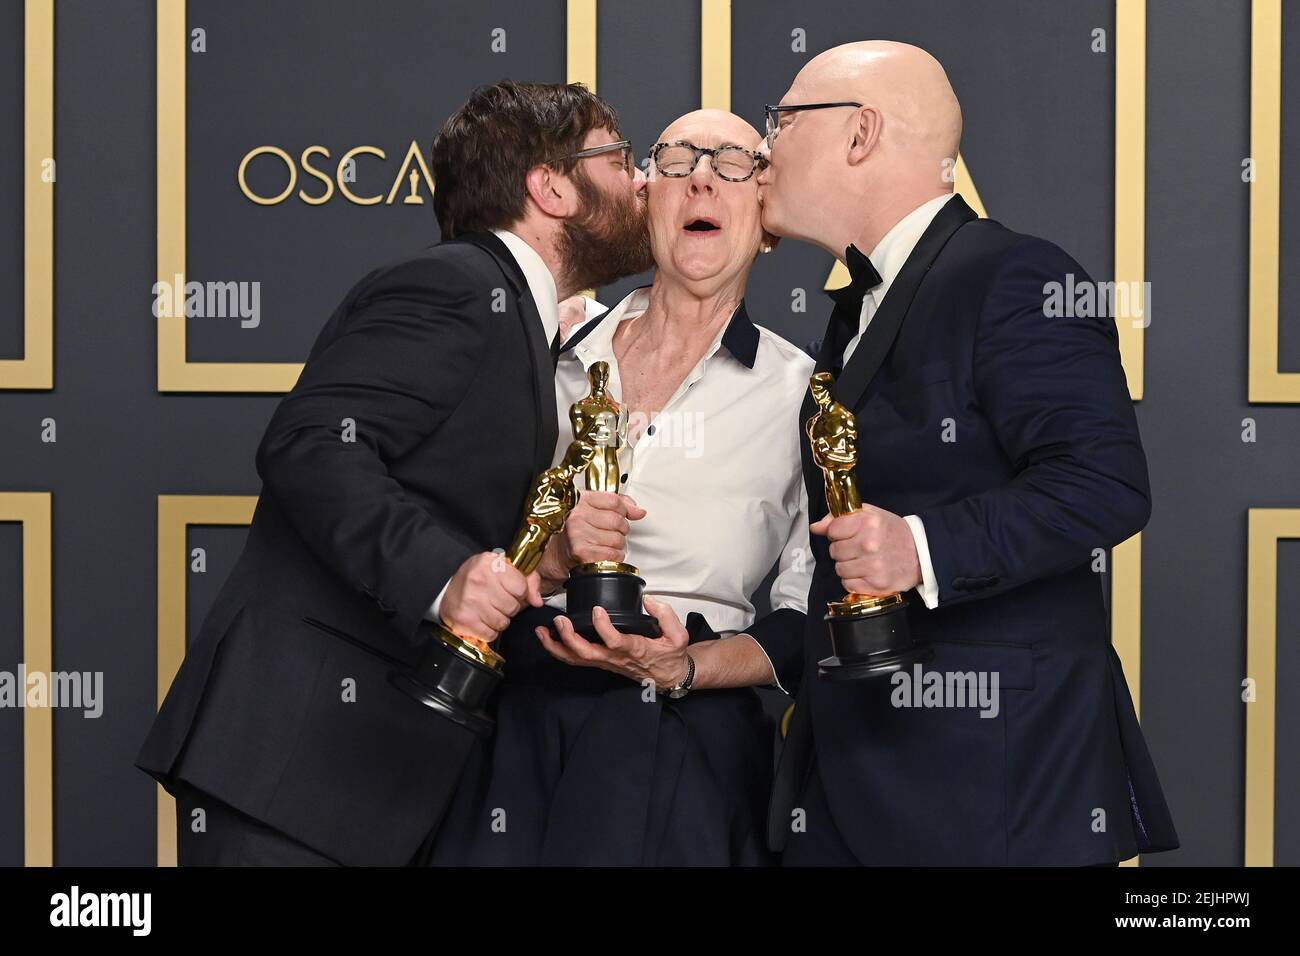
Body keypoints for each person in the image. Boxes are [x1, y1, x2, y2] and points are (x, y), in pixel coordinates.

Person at [134, 80, 654, 865]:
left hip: (363, 779)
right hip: (298, 765)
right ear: (550, 188)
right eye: (619, 158)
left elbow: (439, 489)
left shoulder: (512, 314)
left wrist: (539, 559)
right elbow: (309, 444)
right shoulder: (457, 288)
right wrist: (448, 577)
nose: (642, 180)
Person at [757, 41, 1179, 865]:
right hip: (857, 777)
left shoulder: (1016, 276)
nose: (766, 144)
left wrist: (917, 548)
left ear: (859, 134)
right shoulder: (858, 307)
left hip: (991, 789)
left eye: (782, 119)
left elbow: (1104, 483)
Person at [430, 109, 813, 866]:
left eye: (734, 164)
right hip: (519, 712)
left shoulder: (805, 392)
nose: (701, 176)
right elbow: (452, 520)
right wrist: (547, 553)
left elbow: (810, 619)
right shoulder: (548, 352)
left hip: (689, 740)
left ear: (766, 223)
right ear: (645, 204)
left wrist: (684, 668)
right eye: (675, 162)